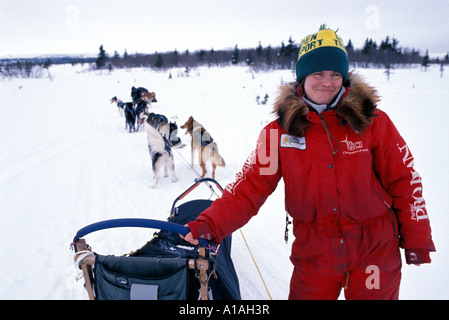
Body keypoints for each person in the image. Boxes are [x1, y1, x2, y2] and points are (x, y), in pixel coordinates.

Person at [182, 25, 436, 300]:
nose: (327, 82)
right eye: (318, 73)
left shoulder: (373, 122)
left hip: (374, 250)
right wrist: (211, 223)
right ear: (302, 77)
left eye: (335, 74)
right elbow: (249, 188)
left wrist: (417, 236)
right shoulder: (277, 133)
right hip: (314, 253)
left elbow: (404, 180)